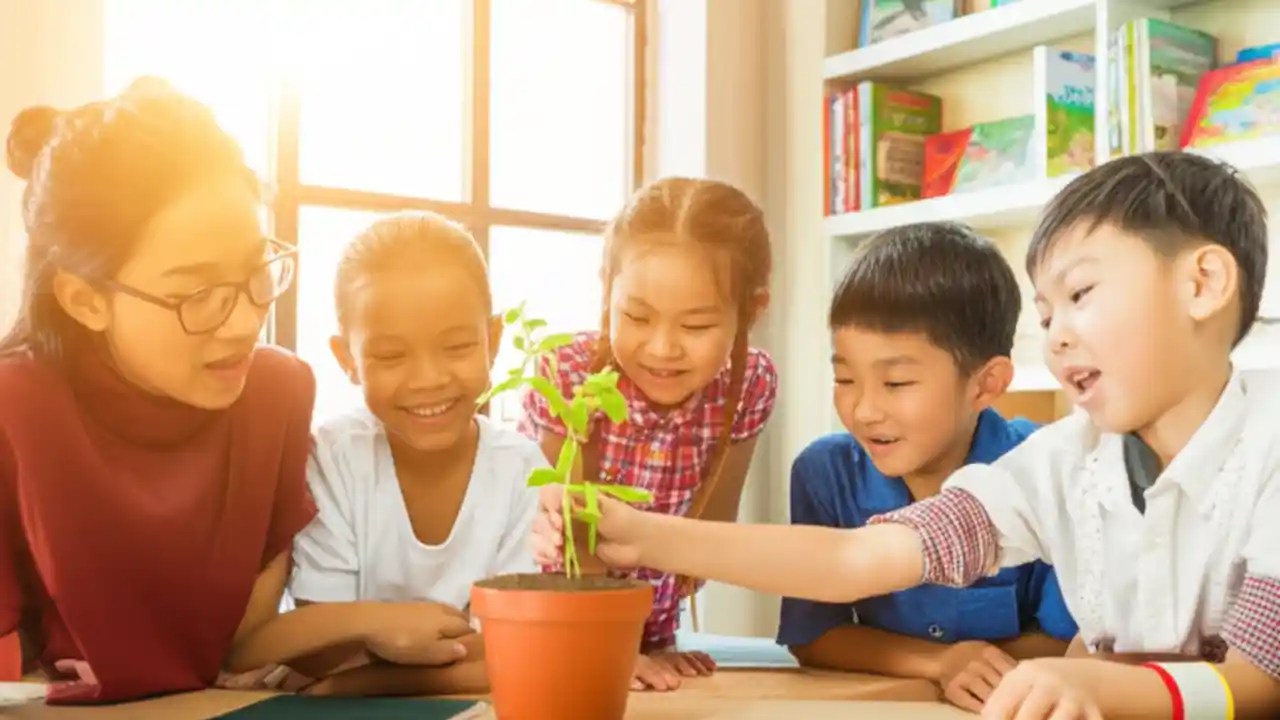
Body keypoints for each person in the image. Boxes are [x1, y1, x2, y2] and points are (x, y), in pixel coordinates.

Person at [531, 152, 1280, 718]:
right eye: (1046, 316)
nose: (1055, 340)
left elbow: (1256, 682)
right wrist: (638, 535)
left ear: (1203, 284)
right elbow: (858, 556)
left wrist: (1096, 682)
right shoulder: (1058, 462)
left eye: (1081, 294)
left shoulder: (1270, 449)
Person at [0, 79, 471, 704]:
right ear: (85, 299)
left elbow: (240, 642)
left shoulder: (274, 392)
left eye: (255, 273)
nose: (247, 321)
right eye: (198, 294)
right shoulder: (17, 407)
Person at [778, 223, 1077, 712]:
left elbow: (1069, 640)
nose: (864, 410)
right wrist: (939, 663)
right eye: (845, 378)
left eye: (895, 383)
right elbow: (813, 636)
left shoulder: (1046, 467)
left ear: (985, 385)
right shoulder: (824, 472)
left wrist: (976, 665)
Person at [518, 177, 778, 691]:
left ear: (753, 310)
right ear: (606, 286)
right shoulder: (566, 374)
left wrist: (650, 646)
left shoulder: (748, 383)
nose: (662, 348)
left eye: (696, 326)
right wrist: (607, 648)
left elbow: (709, 535)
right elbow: (573, 542)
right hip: (557, 630)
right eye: (637, 316)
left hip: (650, 635)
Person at [285, 213, 544, 696]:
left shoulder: (523, 470)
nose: (428, 378)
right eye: (390, 356)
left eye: (457, 346)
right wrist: (379, 631)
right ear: (347, 360)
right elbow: (319, 647)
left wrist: (365, 680)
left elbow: (519, 652)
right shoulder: (334, 459)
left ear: (494, 340)